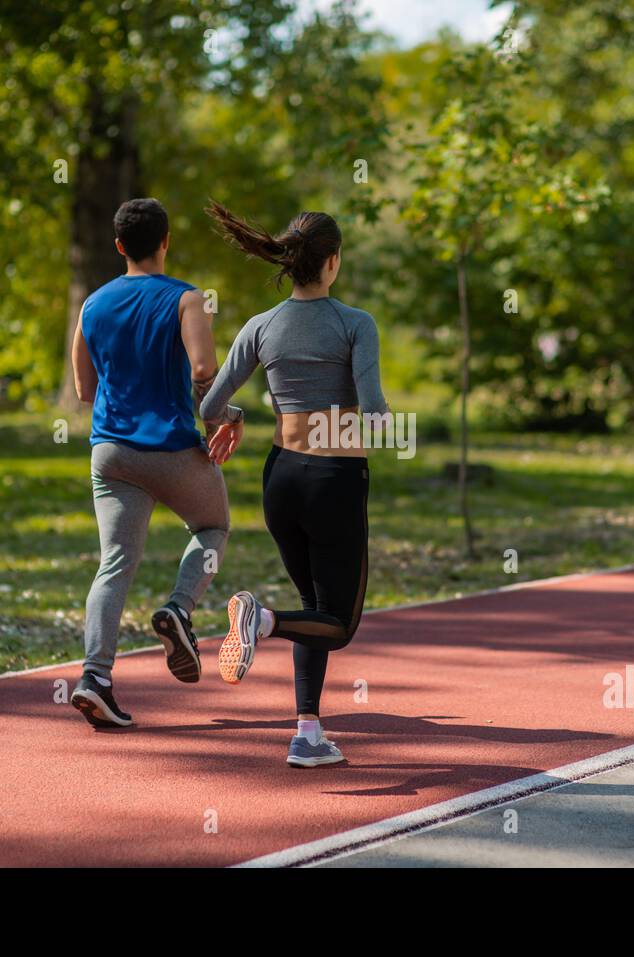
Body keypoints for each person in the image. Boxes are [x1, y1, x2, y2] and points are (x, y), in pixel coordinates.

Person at [200, 200, 388, 767]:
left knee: (316, 604)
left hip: (280, 481)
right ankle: (262, 619)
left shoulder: (261, 325)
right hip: (334, 478)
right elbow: (374, 413)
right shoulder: (355, 323)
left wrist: (235, 419)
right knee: (339, 623)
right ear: (331, 262)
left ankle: (307, 733)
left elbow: (211, 403)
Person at [68, 198, 244, 728]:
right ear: (166, 241)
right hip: (170, 447)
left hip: (111, 453)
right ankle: (179, 610)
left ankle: (94, 677)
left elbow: (82, 389)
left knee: (114, 562)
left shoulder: (92, 305)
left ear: (119, 246)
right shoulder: (187, 299)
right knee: (213, 526)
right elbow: (204, 369)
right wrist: (228, 417)